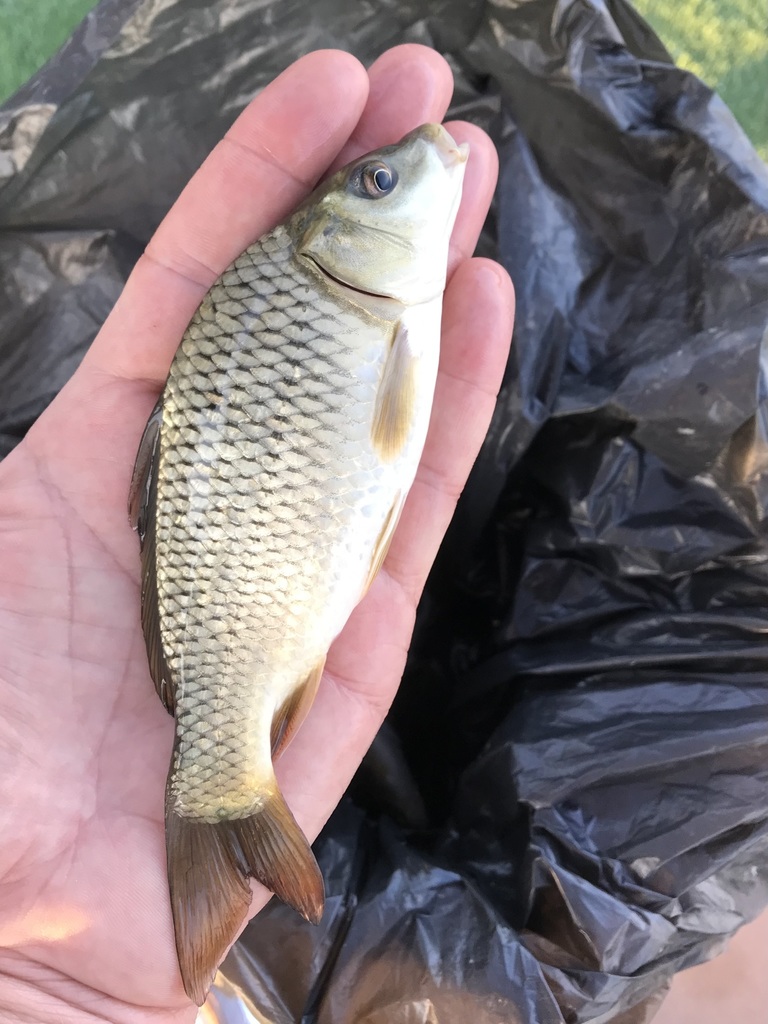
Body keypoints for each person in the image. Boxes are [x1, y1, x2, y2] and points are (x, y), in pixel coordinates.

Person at [0, 44, 515, 1022]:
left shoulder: (339, 301)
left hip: (256, 581)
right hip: (250, 595)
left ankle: (220, 797)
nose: (414, 167)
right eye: (376, 183)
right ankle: (224, 792)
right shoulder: (342, 302)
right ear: (333, 238)